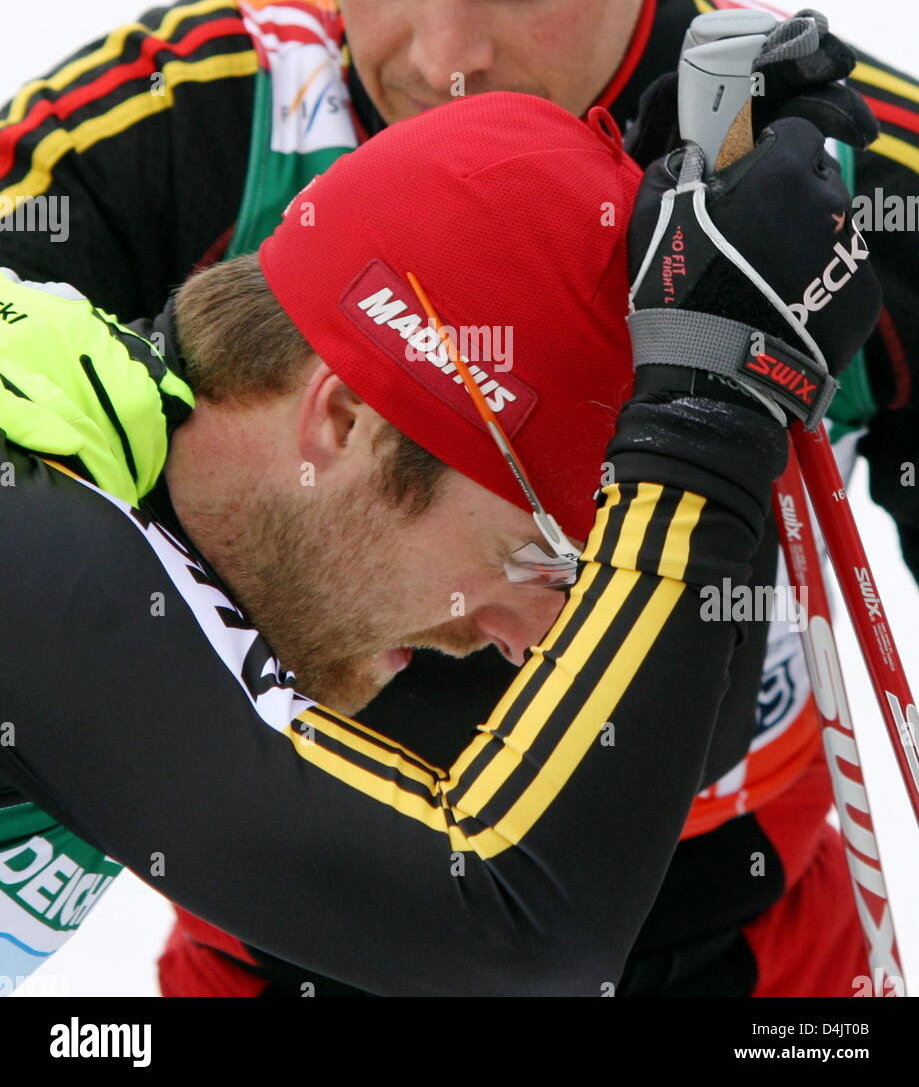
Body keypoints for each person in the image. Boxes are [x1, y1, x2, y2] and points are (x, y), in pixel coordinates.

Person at [0, 0, 914, 997]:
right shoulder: (187, 114)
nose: (446, 57)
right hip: (292, 916)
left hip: (735, 929)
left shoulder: (822, 163)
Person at [0, 72, 882, 997]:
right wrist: (709, 420)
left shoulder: (102, 470)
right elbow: (512, 925)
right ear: (347, 421)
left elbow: (632, 791)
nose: (530, 644)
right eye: (548, 561)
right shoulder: (36, 539)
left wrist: (617, 218)